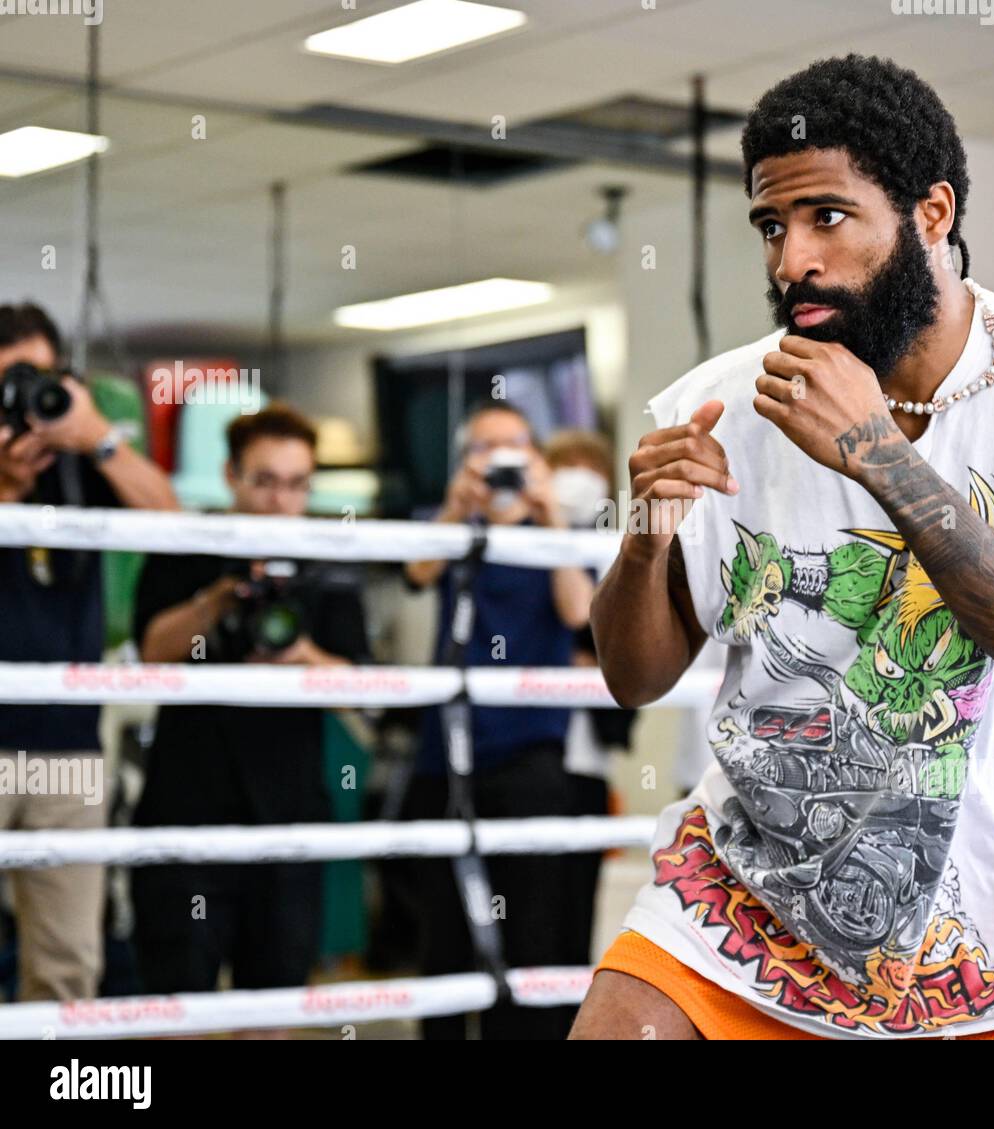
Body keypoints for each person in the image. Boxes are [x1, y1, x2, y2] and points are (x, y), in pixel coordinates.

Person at [572, 54, 994, 1041]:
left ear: (931, 213)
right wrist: (645, 537)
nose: (792, 262)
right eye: (772, 226)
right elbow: (634, 678)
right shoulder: (719, 403)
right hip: (738, 908)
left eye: (827, 217)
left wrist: (878, 454)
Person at [130, 403, 369, 1018]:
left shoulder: (328, 562)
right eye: (264, 481)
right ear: (230, 475)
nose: (280, 500)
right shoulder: (186, 544)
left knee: (273, 1011)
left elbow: (364, 687)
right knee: (173, 1009)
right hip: (186, 814)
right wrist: (215, 600)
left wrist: (303, 655)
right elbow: (149, 651)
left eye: (296, 484)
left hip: (288, 819)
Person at [0, 302, 178, 1002]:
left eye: (38, 380)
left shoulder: (80, 465)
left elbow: (176, 532)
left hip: (69, 746)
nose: (24, 403)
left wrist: (100, 437)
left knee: (68, 963)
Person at [402, 400, 594, 1039]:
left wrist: (550, 514)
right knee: (442, 937)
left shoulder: (559, 535)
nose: (501, 461)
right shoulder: (450, 527)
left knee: (530, 938)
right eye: (485, 449)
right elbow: (414, 571)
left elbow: (579, 612)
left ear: (536, 456)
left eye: (514, 445)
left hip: (529, 758)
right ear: (465, 462)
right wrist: (456, 508)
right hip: (445, 758)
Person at [544, 429, 638, 973]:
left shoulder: (616, 549)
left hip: (588, 756)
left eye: (588, 467)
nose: (577, 478)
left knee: (576, 903)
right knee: (530, 902)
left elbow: (616, 641)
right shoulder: (524, 542)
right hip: (529, 753)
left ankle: (567, 1010)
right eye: (566, 465)